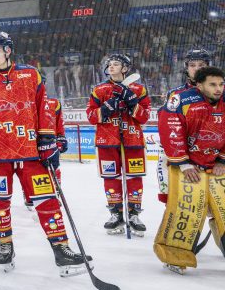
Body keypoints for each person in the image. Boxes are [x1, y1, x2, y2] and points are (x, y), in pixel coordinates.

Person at [0, 32, 86, 275]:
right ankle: (5, 246)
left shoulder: (30, 74)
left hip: (31, 152)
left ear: (8, 51)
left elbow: (44, 107)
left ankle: (61, 249)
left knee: (46, 199)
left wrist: (47, 140)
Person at [155, 66, 225, 274]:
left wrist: (223, 160)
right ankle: (175, 256)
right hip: (186, 165)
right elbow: (170, 131)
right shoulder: (180, 100)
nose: (219, 89)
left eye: (221, 84)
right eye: (213, 84)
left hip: (215, 164)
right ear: (199, 84)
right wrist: (184, 163)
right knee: (188, 212)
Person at [86, 54, 150, 235]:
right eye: (110, 64)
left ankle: (134, 214)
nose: (111, 67)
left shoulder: (138, 89)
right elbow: (91, 117)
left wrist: (131, 101)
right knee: (111, 178)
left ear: (125, 68)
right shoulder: (99, 89)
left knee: (134, 177)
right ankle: (116, 214)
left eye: (116, 64)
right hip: (107, 141)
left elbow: (144, 116)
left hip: (133, 140)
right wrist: (106, 108)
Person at [157, 48, 212, 203]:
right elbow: (168, 128)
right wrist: (181, 161)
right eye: (192, 65)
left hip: (212, 154)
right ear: (186, 68)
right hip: (184, 154)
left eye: (201, 65)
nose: (196, 68)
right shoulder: (175, 95)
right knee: (176, 200)